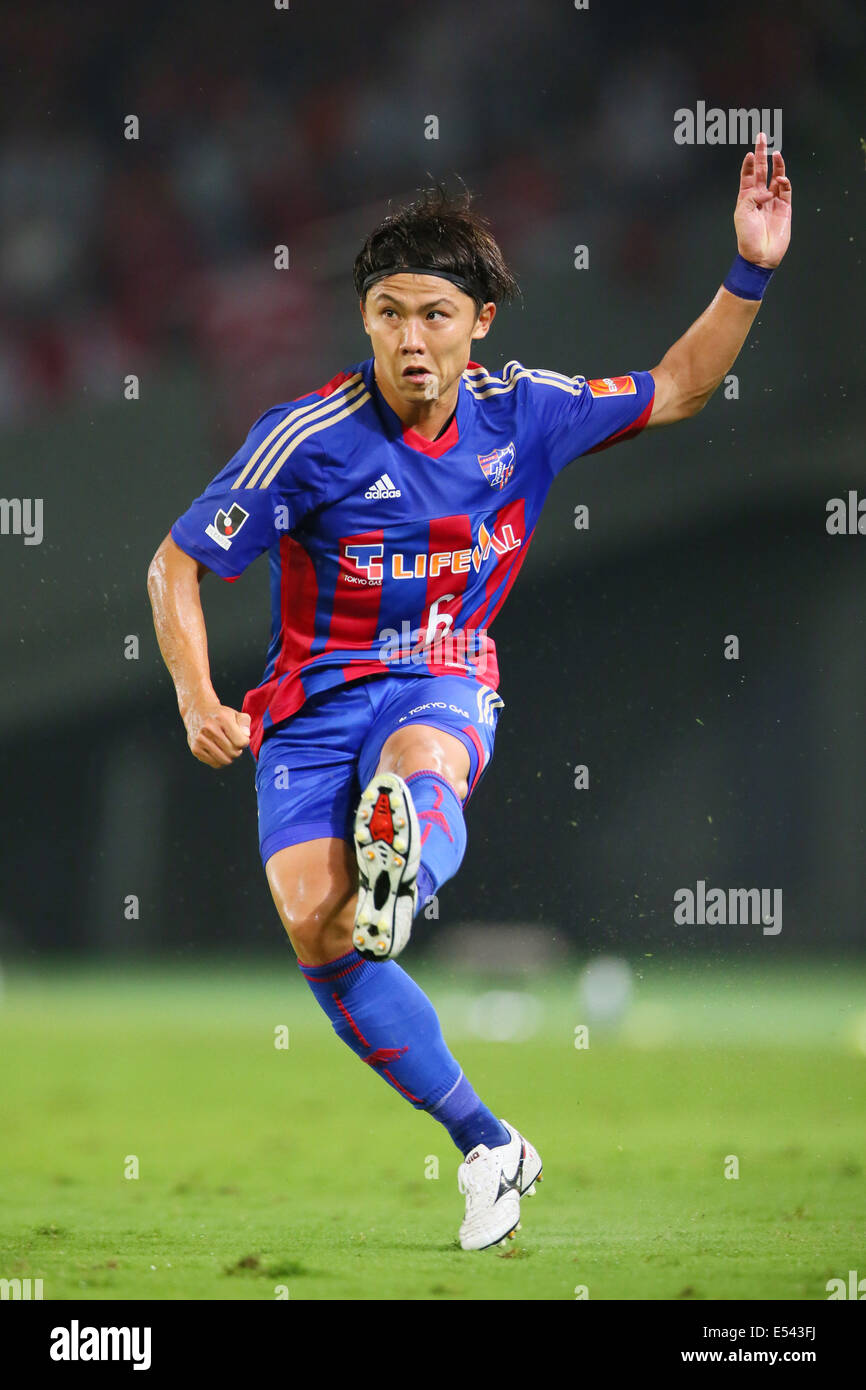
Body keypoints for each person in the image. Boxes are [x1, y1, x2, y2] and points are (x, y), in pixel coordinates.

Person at [147, 135, 791, 1250]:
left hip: (442, 674)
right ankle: (489, 1142)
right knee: (315, 926)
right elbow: (176, 565)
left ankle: (403, 858)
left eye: (434, 314)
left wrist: (748, 268)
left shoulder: (525, 413)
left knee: (423, 761)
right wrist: (199, 695)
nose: (410, 337)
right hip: (307, 704)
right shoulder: (304, 440)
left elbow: (680, 385)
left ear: (480, 321)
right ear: (363, 321)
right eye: (389, 312)